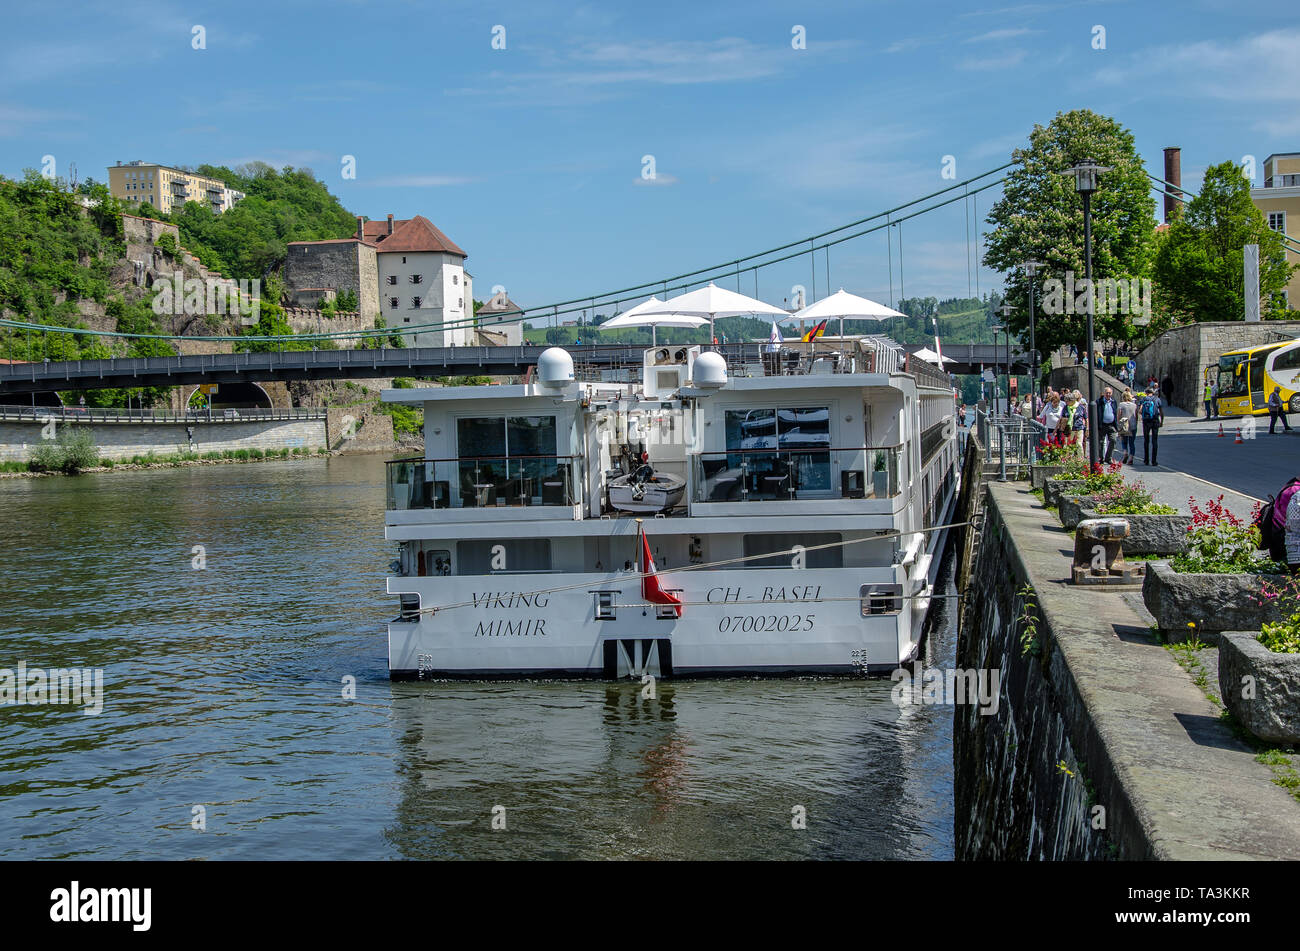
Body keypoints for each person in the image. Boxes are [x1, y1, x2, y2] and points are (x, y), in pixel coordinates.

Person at [1140, 385, 1164, 466]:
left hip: (1146, 421)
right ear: (1152, 392)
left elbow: (1140, 411)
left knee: (1146, 440)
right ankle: (1154, 461)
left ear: (1146, 393)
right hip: (1155, 420)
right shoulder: (1157, 399)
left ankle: (1146, 460)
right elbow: (1161, 412)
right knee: (1154, 440)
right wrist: (1161, 421)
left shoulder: (1143, 399)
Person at [1096, 386, 1118, 463]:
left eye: (1109, 393)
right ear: (1104, 393)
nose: (1108, 394)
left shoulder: (1113, 402)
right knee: (1101, 442)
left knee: (1113, 440)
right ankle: (1100, 458)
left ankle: (1108, 458)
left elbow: (1115, 413)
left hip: (1111, 425)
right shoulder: (1099, 402)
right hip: (1102, 425)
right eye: (1107, 393)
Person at [1117, 389, 1138, 465]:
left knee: (1124, 441)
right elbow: (1136, 416)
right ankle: (1131, 458)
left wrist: (1118, 426)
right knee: (1132, 443)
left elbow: (1119, 416)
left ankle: (1125, 453)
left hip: (1124, 425)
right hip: (1132, 425)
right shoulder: (1134, 405)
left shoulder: (1121, 405)